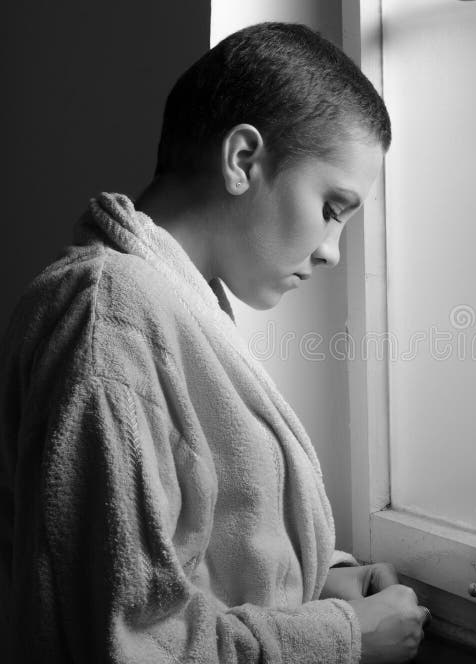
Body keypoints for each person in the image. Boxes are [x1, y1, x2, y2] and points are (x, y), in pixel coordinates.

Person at [0, 22, 428, 663]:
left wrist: (315, 578)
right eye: (333, 208)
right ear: (243, 160)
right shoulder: (107, 323)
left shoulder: (170, 308)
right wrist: (345, 638)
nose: (334, 251)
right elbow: (128, 645)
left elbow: (195, 547)